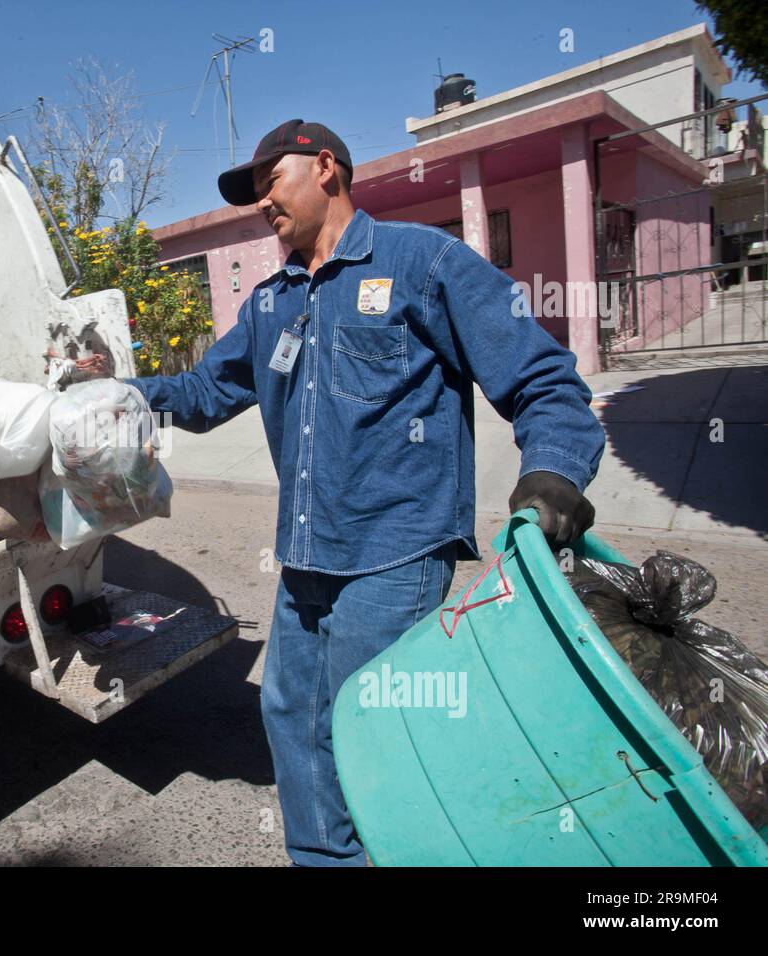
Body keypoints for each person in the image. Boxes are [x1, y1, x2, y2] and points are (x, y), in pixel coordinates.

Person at [120, 119, 605, 867]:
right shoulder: (271, 303)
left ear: (326, 168)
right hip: (307, 552)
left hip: (397, 551)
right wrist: (117, 400)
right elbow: (202, 392)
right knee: (291, 714)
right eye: (253, 195)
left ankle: (400, 850)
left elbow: (541, 375)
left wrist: (555, 468)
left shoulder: (425, 263)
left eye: (269, 182)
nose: (262, 204)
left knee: (367, 727)